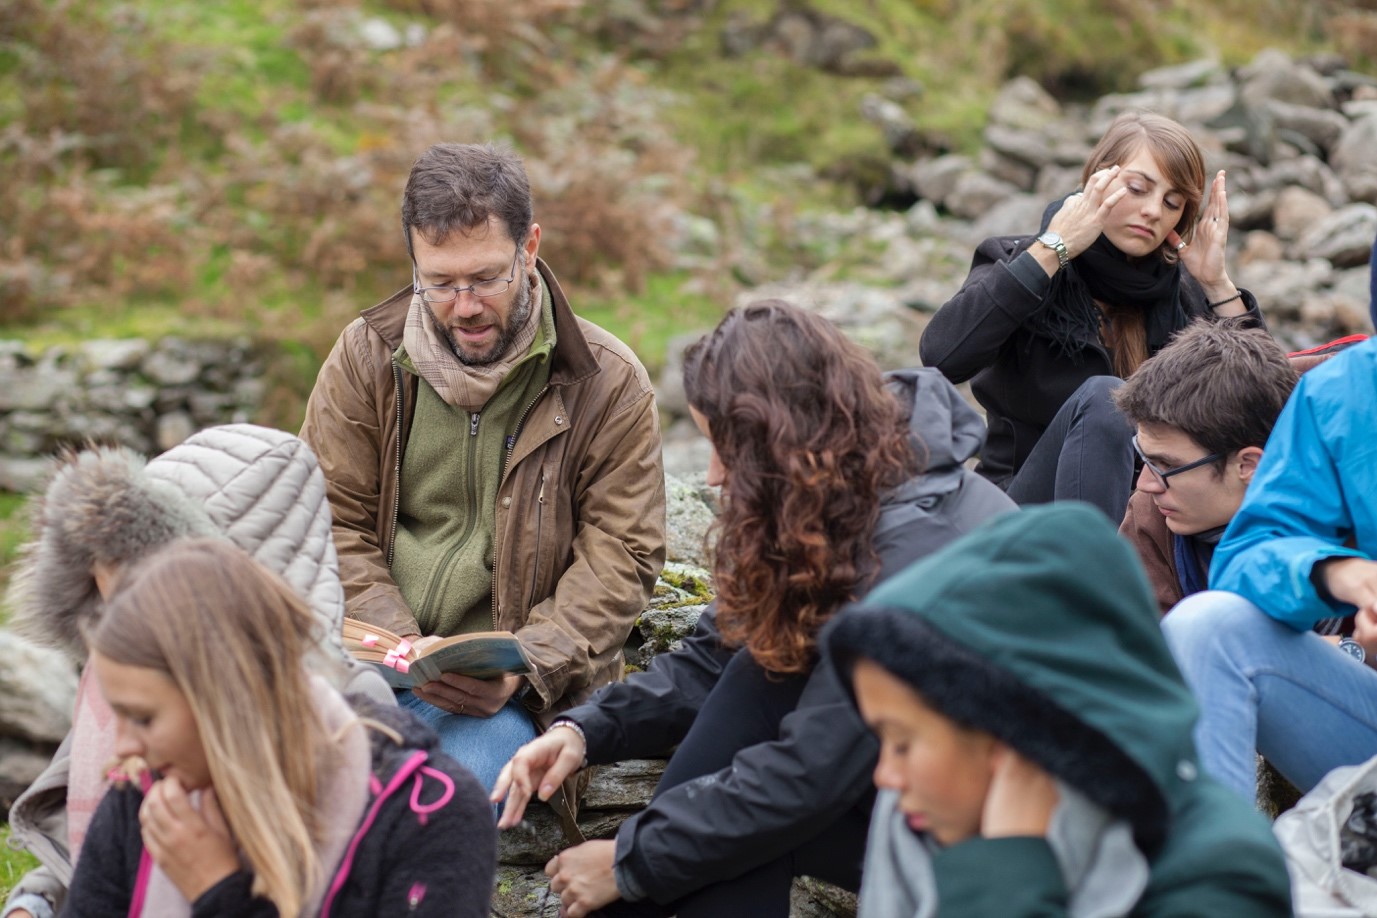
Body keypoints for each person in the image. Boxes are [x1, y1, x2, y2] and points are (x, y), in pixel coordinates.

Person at [492, 300, 1016, 918]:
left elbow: (809, 772)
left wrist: (632, 860)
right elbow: (717, 657)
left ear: (782, 444)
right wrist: (585, 730)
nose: (712, 476)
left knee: (732, 835)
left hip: (985, 840)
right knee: (753, 678)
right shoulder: (830, 494)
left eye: (725, 450)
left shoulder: (918, 554)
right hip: (885, 782)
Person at [299, 142, 666, 796]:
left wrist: (529, 666)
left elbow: (624, 551)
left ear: (529, 248)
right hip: (369, 673)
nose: (463, 306)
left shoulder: (606, 383)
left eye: (485, 277)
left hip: (514, 699)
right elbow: (325, 516)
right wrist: (407, 652)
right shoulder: (363, 358)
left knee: (438, 805)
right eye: (438, 283)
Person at [823, 502, 1292, 916]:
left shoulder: (1221, 877)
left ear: (1015, 735)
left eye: (904, 742)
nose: (886, 775)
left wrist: (1008, 878)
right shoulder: (920, 827)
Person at [4, 425, 390, 918]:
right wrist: (33, 903)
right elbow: (81, 837)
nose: (119, 618)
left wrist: (214, 882)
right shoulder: (117, 682)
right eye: (101, 598)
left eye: (134, 589)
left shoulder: (348, 708)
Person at [61, 538, 496, 916]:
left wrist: (219, 893)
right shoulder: (146, 796)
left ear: (228, 697)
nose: (123, 747)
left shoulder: (431, 816)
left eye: (143, 718)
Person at [920, 111, 1262, 521]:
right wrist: (1053, 251)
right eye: (1138, 188)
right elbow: (941, 357)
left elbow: (1260, 412)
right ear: (1099, 178)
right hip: (1018, 517)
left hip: (1149, 516)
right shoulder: (1023, 263)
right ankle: (1093, 579)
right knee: (1106, 398)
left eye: (1172, 203)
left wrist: (1217, 285)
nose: (1154, 210)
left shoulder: (1182, 294)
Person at [1163, 336, 1377, 801]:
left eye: (1160, 466)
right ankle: (1227, 867)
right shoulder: (1346, 387)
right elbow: (1249, 553)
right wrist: (1334, 570)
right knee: (1208, 626)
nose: (1148, 483)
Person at [1113, 321, 1298, 613]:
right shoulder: (1151, 515)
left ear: (1249, 465)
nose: (1146, 483)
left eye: (1167, 464)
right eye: (1144, 457)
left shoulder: (1356, 521)